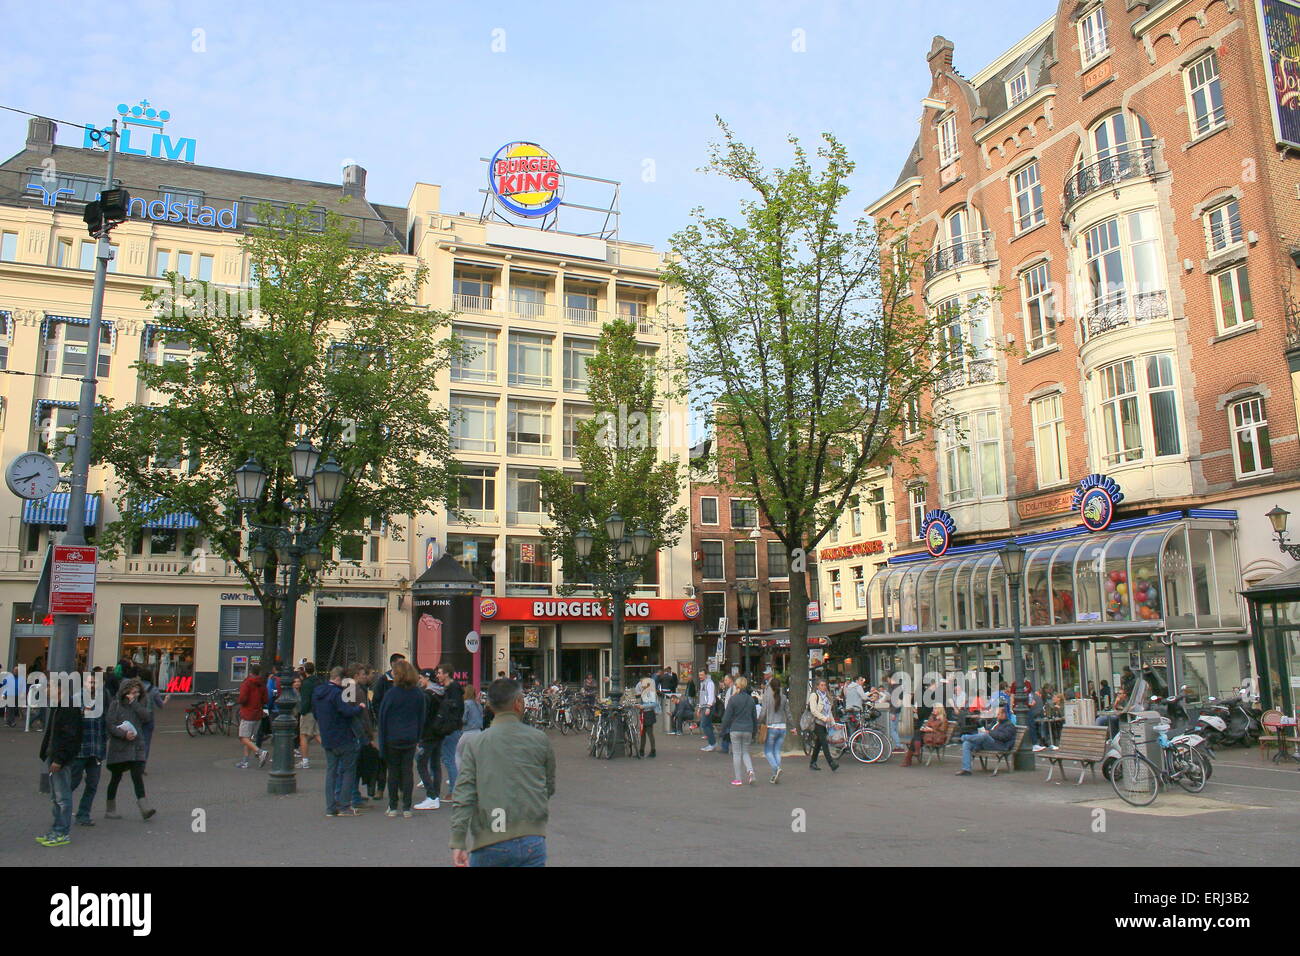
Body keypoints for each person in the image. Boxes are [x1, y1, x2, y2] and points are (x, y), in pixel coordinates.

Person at [450, 678, 556, 867]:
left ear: (489, 705)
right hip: (531, 834)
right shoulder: (539, 739)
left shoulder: (476, 744)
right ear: (517, 703)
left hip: (490, 837)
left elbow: (464, 794)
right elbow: (548, 786)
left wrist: (458, 840)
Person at [37, 680, 84, 847]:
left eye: (49, 687)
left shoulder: (68, 708)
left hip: (60, 759)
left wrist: (59, 759)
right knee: (56, 797)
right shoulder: (58, 707)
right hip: (55, 756)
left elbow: (71, 737)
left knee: (62, 797)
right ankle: (56, 829)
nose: (46, 690)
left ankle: (61, 832)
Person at [314, 665, 365, 817]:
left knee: (331, 772)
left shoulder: (318, 692)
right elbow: (346, 711)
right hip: (343, 736)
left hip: (327, 736)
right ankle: (344, 806)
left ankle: (330, 807)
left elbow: (316, 713)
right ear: (339, 679)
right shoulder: (337, 693)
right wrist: (359, 708)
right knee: (348, 771)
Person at [377, 659, 425, 818]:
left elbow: (382, 718)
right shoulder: (418, 694)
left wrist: (381, 741)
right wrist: (417, 736)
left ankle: (392, 806)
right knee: (407, 771)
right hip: (410, 737)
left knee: (393, 772)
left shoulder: (391, 693)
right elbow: (421, 717)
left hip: (392, 737)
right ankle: (406, 807)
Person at [104, 678, 155, 819]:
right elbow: (110, 724)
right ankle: (110, 809)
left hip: (136, 745)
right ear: (125, 692)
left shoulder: (140, 703)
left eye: (137, 692)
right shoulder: (115, 705)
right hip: (120, 746)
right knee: (116, 777)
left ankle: (145, 807)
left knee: (137, 775)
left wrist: (135, 704)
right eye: (133, 692)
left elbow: (146, 718)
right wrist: (123, 734)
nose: (135, 695)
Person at [68, 672, 106, 826]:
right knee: (72, 783)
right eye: (90, 682)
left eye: (95, 683)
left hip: (95, 749)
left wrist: (103, 749)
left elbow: (104, 726)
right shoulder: (76, 699)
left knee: (92, 784)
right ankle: (61, 811)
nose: (92, 685)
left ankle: (83, 814)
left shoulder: (101, 700)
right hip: (80, 750)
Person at [955, 706, 1016, 776]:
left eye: (998, 714)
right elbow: (987, 729)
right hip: (988, 743)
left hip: (999, 745)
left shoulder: (1009, 725)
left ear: (1004, 715)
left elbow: (1003, 737)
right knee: (967, 743)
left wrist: (989, 733)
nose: (996, 716)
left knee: (984, 736)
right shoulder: (995, 722)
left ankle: (964, 737)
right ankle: (966, 769)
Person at [719, 675, 758, 785]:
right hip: (748, 729)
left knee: (736, 754)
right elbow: (754, 717)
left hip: (735, 728)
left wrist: (722, 730)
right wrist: (755, 731)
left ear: (737, 686)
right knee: (745, 752)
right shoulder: (750, 700)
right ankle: (750, 771)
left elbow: (727, 717)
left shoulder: (733, 699)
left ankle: (738, 779)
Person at [434, 665, 466, 794]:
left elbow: (453, 710)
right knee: (449, 758)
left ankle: (454, 791)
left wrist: (447, 726)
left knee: (449, 759)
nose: (437, 675)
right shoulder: (452, 689)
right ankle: (454, 789)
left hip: (450, 729)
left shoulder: (452, 689)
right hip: (451, 728)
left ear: (447, 674)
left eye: (440, 673)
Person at [236, 663, 269, 769]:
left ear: (250, 672)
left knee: (243, 737)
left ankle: (260, 752)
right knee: (249, 738)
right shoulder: (262, 684)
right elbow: (265, 699)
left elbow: (243, 698)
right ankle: (245, 761)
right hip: (257, 713)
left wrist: (239, 702)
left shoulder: (247, 683)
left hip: (247, 712)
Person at [760, 676, 790, 783]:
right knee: (777, 750)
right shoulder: (784, 698)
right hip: (783, 726)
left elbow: (763, 712)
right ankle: (775, 773)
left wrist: (759, 722)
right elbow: (788, 713)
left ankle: (776, 768)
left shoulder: (767, 698)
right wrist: (793, 726)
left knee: (768, 751)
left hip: (772, 726)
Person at [136, 667, 167, 767]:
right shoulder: (153, 689)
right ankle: (142, 765)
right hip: (148, 717)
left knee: (134, 741)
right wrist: (166, 699)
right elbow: (161, 705)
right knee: (146, 742)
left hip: (136, 717)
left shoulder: (134, 688)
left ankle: (133, 762)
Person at [808, 678, 839, 772]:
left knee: (818, 743)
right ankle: (831, 763)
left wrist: (833, 723)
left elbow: (829, 712)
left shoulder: (827, 697)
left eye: (825, 685)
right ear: (817, 686)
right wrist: (824, 718)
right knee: (824, 743)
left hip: (824, 724)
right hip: (817, 723)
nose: (824, 687)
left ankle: (813, 762)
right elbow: (813, 710)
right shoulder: (814, 695)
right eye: (821, 685)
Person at [296, 661, 322, 770]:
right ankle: (333, 752)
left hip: (308, 712)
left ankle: (305, 760)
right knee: (317, 734)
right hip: (317, 711)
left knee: (304, 735)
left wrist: (302, 711)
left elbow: (305, 700)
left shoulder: (306, 683)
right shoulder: (318, 681)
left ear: (305, 671)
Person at [454, 684, 486, 773]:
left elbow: (464, 719)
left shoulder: (466, 704)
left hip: (468, 732)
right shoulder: (478, 705)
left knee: (458, 753)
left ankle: (459, 773)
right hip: (479, 732)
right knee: (475, 756)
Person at [635, 675, 658, 758]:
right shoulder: (644, 691)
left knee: (649, 733)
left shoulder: (650, 692)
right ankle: (641, 750)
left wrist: (642, 706)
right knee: (642, 733)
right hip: (643, 713)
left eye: (642, 682)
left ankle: (653, 750)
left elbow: (653, 704)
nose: (641, 684)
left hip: (648, 713)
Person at [697, 670, 717, 751]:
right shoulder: (703, 683)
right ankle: (712, 743)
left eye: (702, 675)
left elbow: (711, 695)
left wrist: (708, 707)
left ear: (706, 675)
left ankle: (712, 743)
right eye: (699, 675)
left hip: (708, 706)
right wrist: (699, 706)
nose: (700, 676)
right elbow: (702, 696)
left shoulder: (709, 683)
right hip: (704, 706)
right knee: (707, 725)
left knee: (704, 725)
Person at [717, 675, 735, 754]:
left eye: (726, 680)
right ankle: (725, 747)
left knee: (726, 730)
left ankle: (725, 747)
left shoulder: (732, 689)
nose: (725, 681)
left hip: (729, 713)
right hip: (728, 712)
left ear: (730, 680)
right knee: (727, 730)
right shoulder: (729, 689)